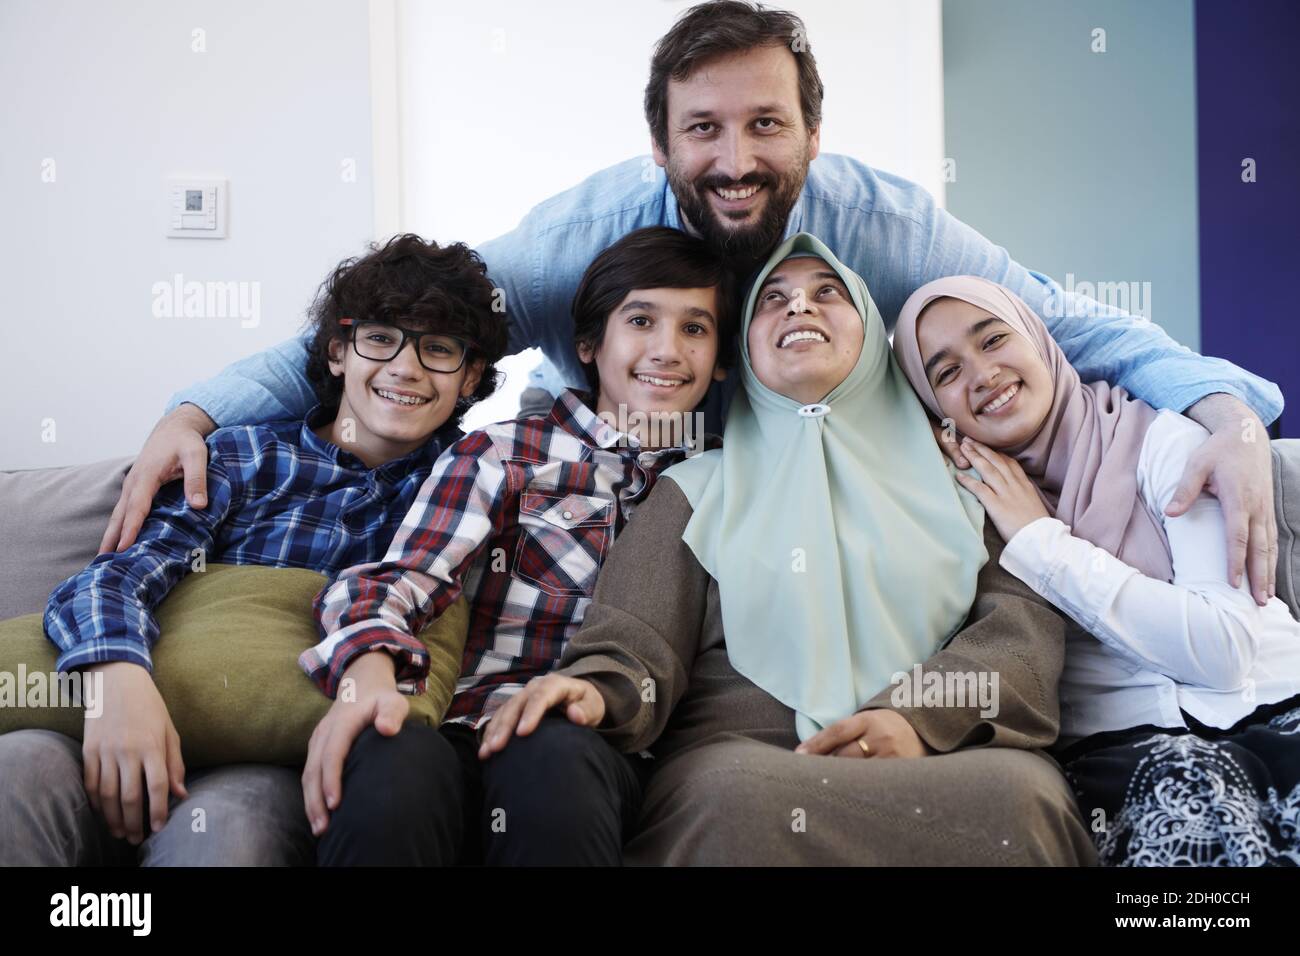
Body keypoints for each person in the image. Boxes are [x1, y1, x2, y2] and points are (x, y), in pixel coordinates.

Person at [103, 2, 1283, 607]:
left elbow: (1062, 323)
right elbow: (411, 320)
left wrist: (1228, 413)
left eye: (765, 125)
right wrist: (199, 409)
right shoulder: (580, 239)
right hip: (627, 503)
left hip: (812, 495)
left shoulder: (887, 222)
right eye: (703, 130)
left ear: (810, 132)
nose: (734, 157)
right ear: (661, 142)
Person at [481, 233, 1096, 865]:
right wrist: (593, 690)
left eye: (827, 293)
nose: (799, 307)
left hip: (948, 753)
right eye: (772, 300)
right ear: (742, 351)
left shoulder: (971, 478)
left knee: (1020, 799)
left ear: (872, 336)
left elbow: (1020, 635)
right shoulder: (693, 490)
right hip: (752, 760)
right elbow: (635, 643)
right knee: (732, 796)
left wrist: (913, 719)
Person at [0, 234, 506, 866]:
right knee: (16, 767)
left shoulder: (466, 488)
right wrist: (115, 678)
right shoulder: (243, 455)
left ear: (471, 377)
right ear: (338, 351)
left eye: (438, 349)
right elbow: (119, 575)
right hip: (133, 701)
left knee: (226, 834)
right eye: (381, 338)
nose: (405, 367)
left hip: (263, 755)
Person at [303, 227, 736, 865]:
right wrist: (368, 674)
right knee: (393, 757)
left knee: (552, 756)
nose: (667, 350)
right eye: (640, 320)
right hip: (465, 722)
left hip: (595, 742)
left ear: (722, 359)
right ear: (588, 345)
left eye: (695, 329)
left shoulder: (726, 481)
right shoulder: (507, 451)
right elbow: (403, 579)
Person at [891, 276, 1300, 866]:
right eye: (946, 373)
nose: (983, 375)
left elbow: (1224, 650)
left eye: (994, 339)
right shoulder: (965, 508)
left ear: (1039, 340)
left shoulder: (1161, 440)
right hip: (1125, 753)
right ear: (933, 409)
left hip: (1280, 703)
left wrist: (1041, 541)